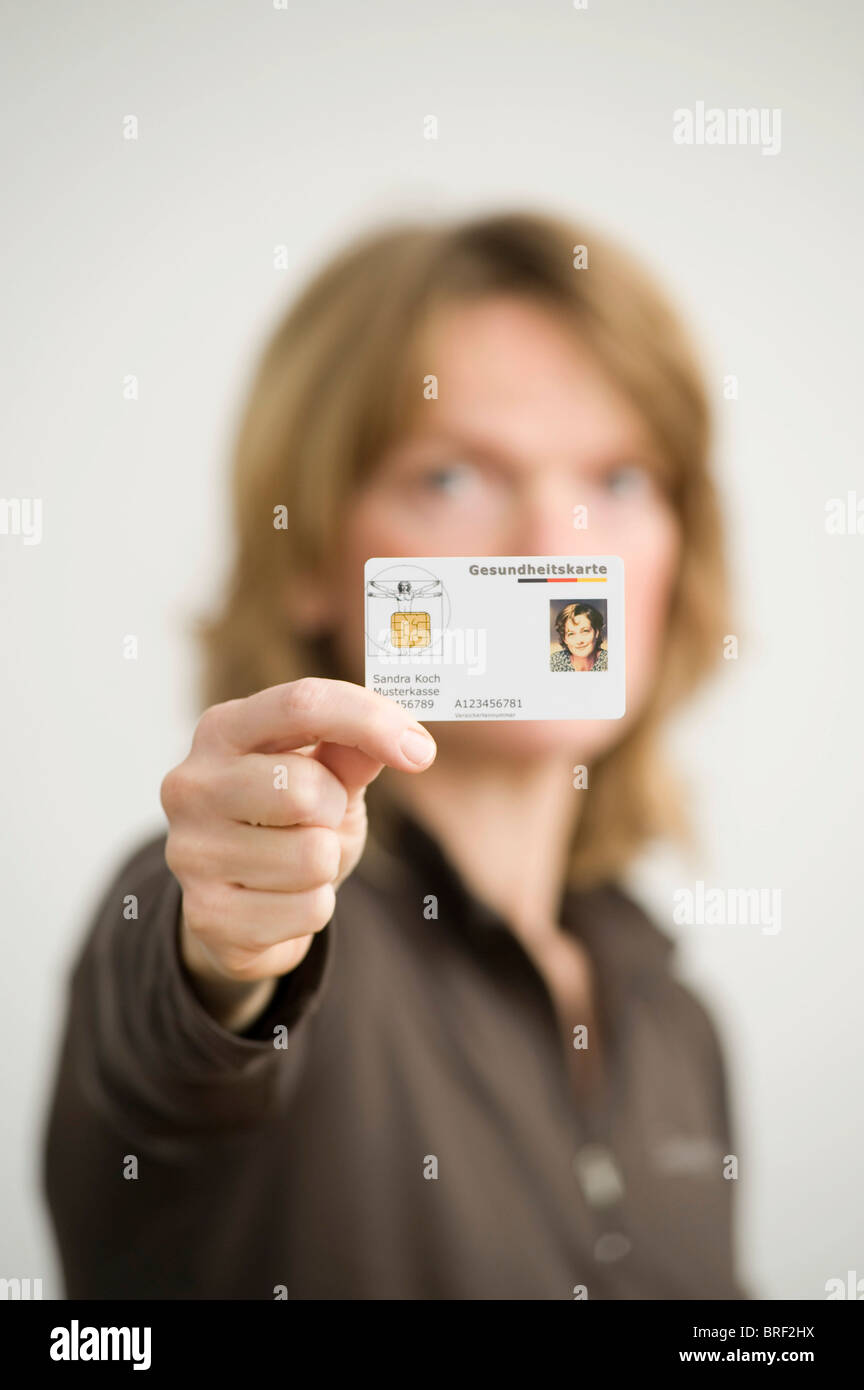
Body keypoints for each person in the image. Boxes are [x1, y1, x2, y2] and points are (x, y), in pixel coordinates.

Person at [41, 210, 746, 1300]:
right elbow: (177, 1035)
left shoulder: (677, 1024)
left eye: (617, 481)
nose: (557, 549)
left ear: (679, 553)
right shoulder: (235, 911)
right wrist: (227, 951)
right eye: (455, 478)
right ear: (311, 556)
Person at [551, 602, 608, 671]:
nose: (579, 641)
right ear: (564, 638)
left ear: (596, 633)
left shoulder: (609, 660)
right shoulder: (554, 662)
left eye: (585, 631)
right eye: (571, 634)